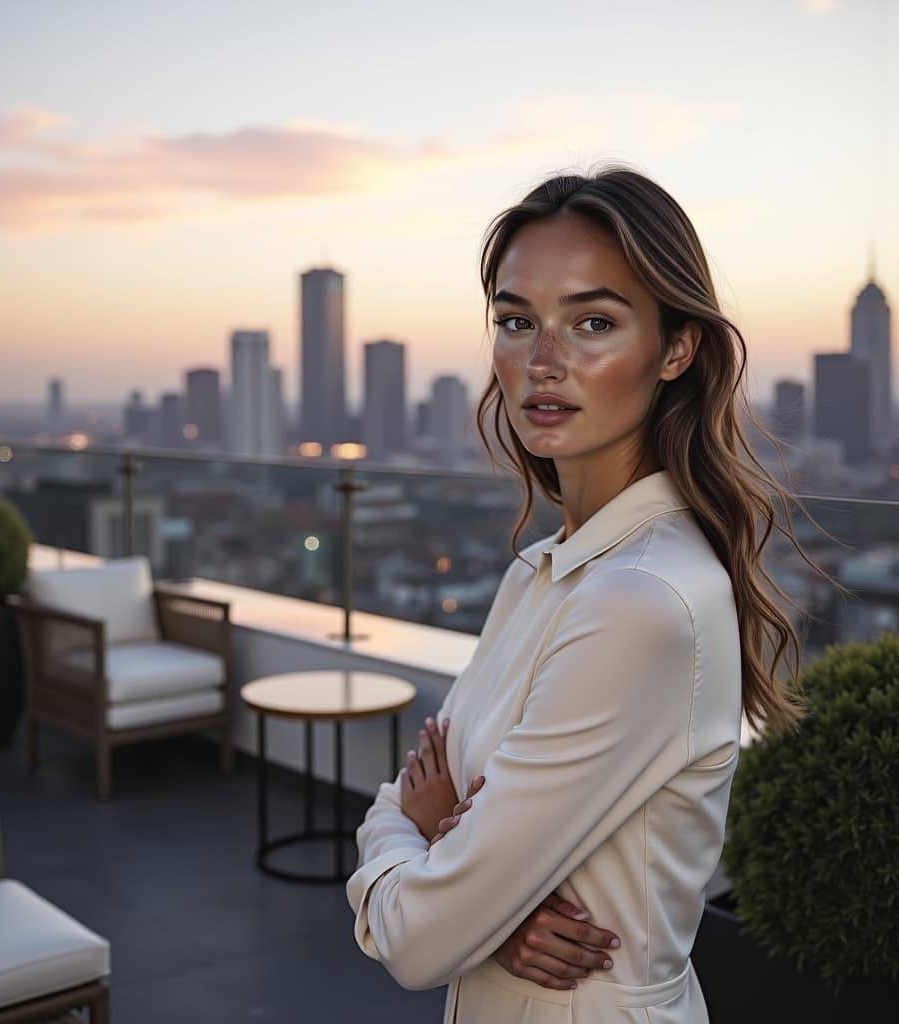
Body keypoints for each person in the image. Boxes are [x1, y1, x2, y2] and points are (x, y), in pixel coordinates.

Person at [346, 167, 811, 1023]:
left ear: (677, 348)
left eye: (593, 322)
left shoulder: (641, 602)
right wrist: (479, 902)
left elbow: (417, 936)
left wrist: (436, 876)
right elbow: (417, 791)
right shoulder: (544, 571)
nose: (543, 361)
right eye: (517, 321)